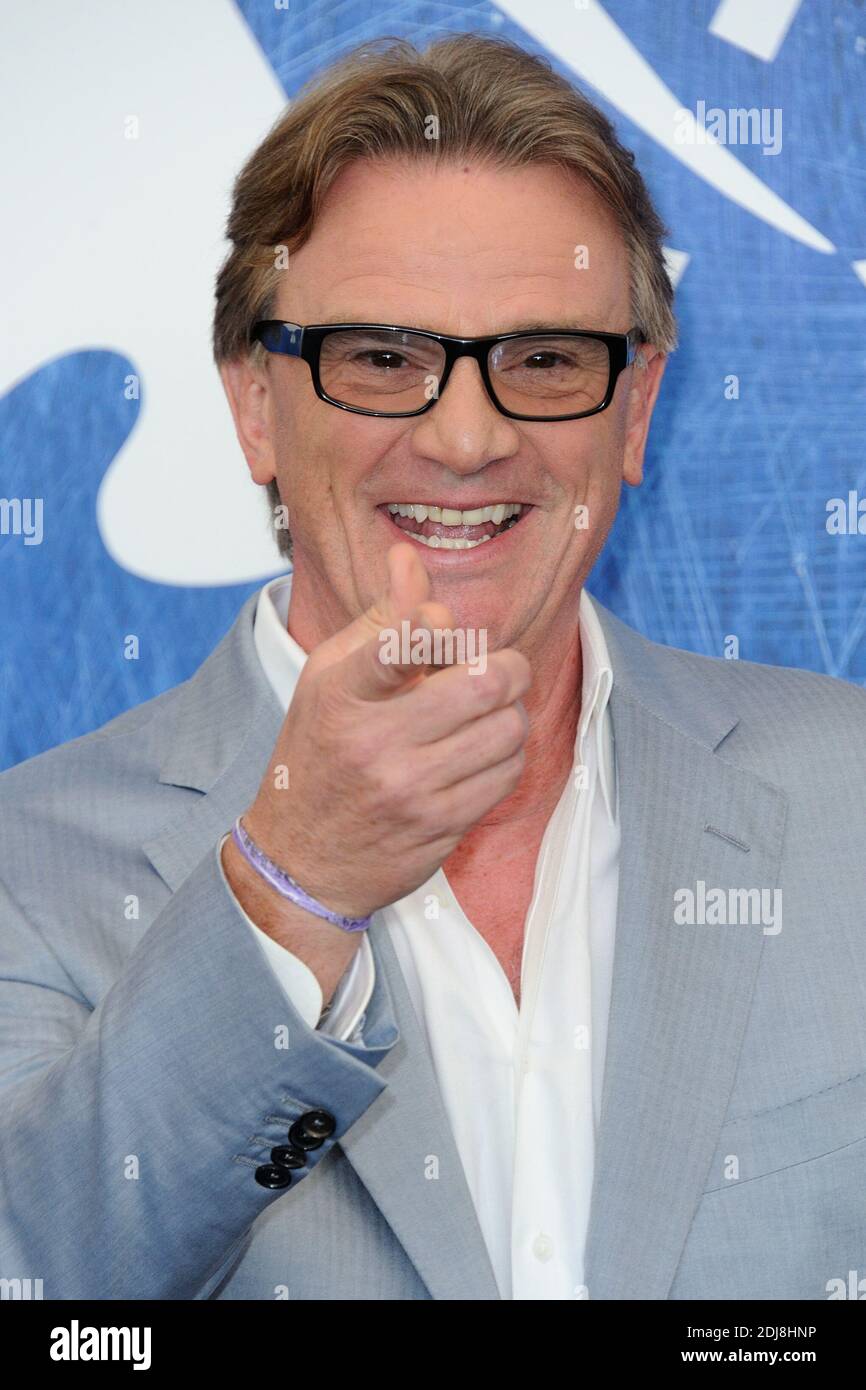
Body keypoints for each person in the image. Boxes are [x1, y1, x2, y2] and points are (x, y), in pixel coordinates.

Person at [1, 33, 864, 1303]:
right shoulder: (32, 867)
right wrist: (292, 887)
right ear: (252, 404)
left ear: (636, 409)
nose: (467, 437)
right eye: (382, 358)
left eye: (546, 360)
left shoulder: (846, 793)